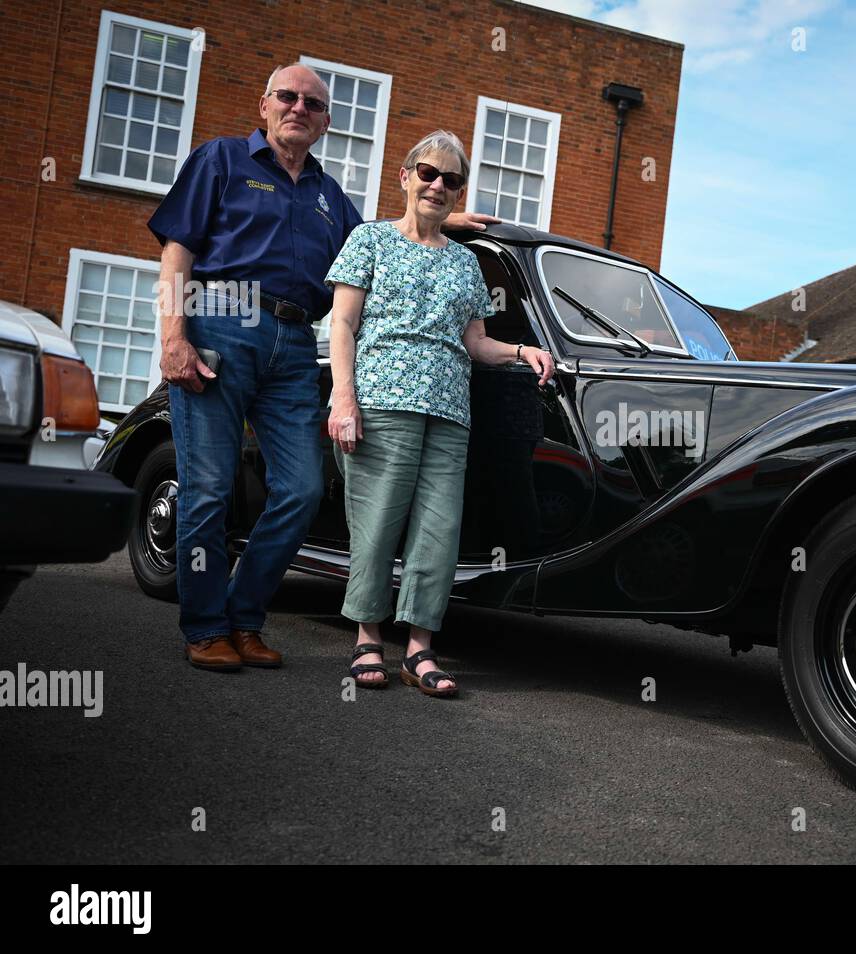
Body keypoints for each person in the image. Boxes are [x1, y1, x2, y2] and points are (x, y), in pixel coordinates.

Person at [149, 66, 494, 671]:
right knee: (206, 490)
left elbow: (390, 243)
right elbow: (178, 248)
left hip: (293, 340)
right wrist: (174, 335)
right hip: (221, 324)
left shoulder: (328, 195)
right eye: (288, 96)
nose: (299, 108)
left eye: (312, 103)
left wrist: (448, 218)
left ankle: (245, 618)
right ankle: (206, 627)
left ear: (325, 121)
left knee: (303, 489)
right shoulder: (222, 160)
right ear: (265, 104)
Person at [326, 130, 554, 696]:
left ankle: (421, 649)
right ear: (405, 177)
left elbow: (476, 344)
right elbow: (342, 324)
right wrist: (343, 398)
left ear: (458, 192)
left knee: (438, 532)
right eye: (428, 173)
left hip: (450, 414)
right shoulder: (370, 239)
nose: (437, 185)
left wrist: (521, 351)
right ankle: (366, 638)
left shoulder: (465, 265)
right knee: (377, 524)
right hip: (381, 403)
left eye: (450, 179)